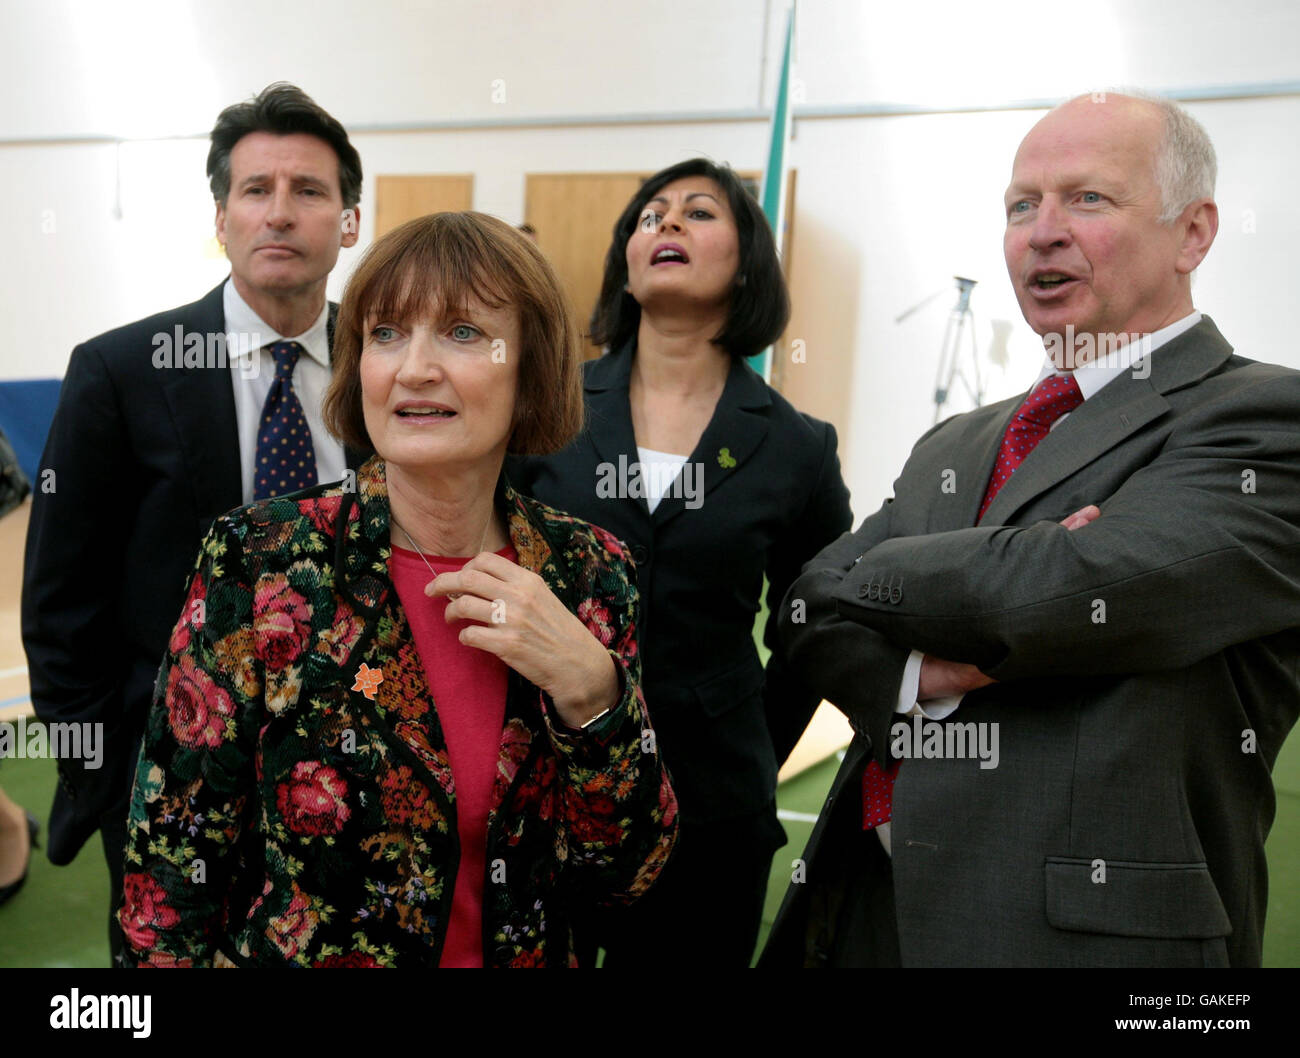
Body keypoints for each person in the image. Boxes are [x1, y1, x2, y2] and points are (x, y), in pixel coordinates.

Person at [762, 92, 1300, 968]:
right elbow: (806, 608)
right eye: (1022, 205)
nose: (1042, 233)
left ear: (1193, 233)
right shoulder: (959, 440)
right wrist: (917, 664)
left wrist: (910, 578)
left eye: (1088, 199)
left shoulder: (1265, 419)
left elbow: (1073, 590)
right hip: (863, 913)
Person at [116, 211, 677, 968]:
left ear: (531, 366)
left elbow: (624, 875)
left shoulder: (587, 572)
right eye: (384, 334)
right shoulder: (262, 561)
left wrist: (592, 692)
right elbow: (172, 870)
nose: (414, 367)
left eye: (462, 332)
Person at [21, 82, 365, 964]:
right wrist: (103, 777)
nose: (280, 213)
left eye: (309, 191)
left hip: (350, 771)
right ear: (221, 218)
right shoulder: (120, 371)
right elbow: (61, 598)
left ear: (350, 221)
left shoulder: (389, 371)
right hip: (162, 771)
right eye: (256, 191)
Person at [510, 158, 852, 966]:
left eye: (698, 213)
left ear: (747, 264)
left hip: (713, 810)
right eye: (649, 216)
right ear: (625, 264)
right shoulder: (546, 408)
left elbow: (817, 620)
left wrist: (751, 739)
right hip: (542, 790)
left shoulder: (797, 445)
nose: (665, 226)